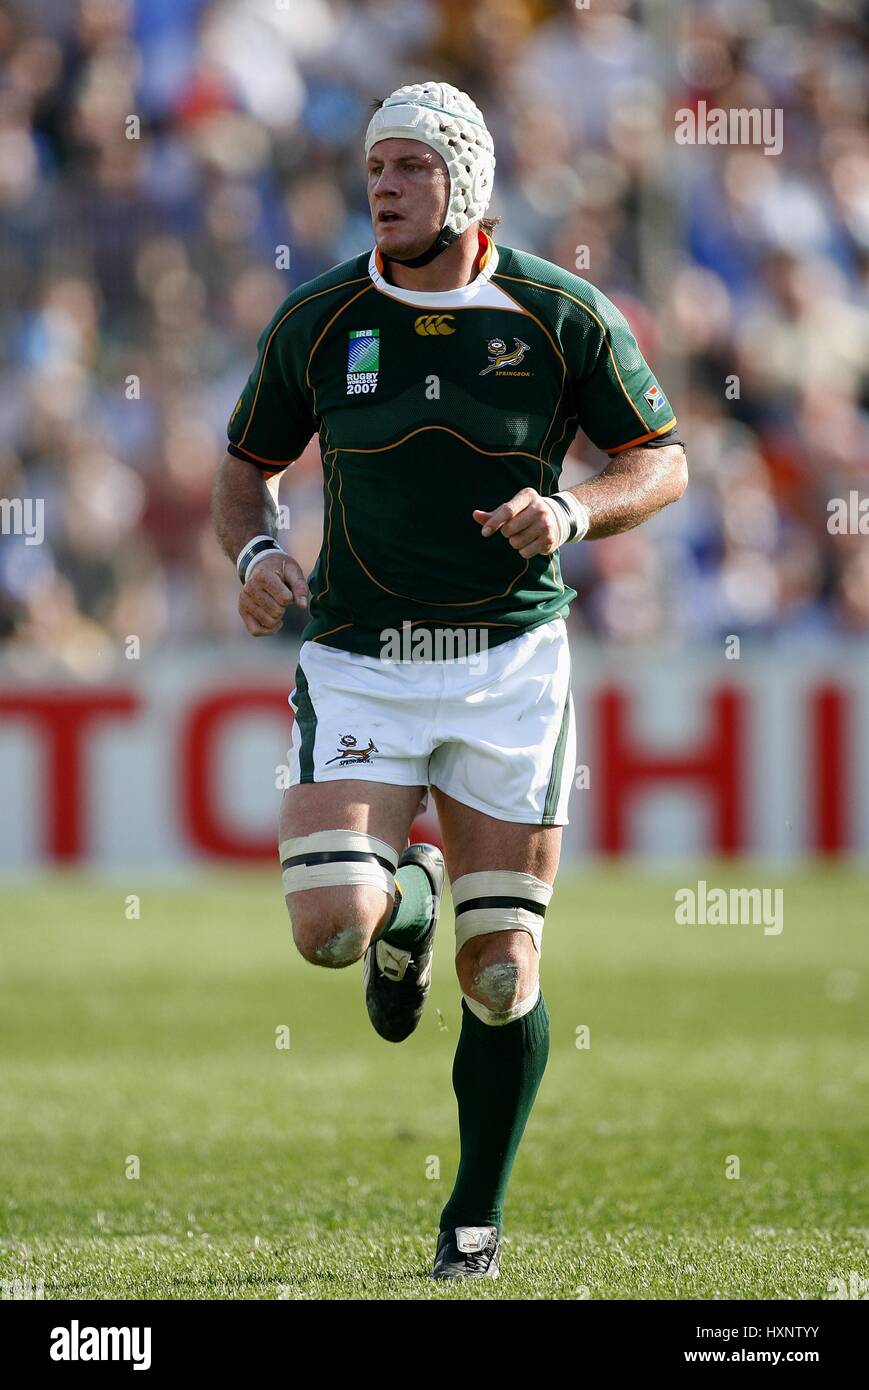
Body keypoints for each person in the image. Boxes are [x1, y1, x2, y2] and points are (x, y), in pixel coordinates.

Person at [212, 81, 687, 1281]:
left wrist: (573, 509)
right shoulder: (318, 317)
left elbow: (662, 459)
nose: (382, 187)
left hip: (511, 665)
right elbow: (244, 466)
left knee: (501, 973)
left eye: (410, 168)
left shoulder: (557, 310)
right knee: (329, 932)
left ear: (465, 182)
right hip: (363, 659)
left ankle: (471, 1219)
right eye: (373, 166)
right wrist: (260, 549)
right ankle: (402, 904)